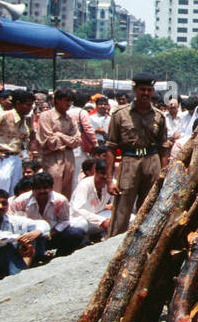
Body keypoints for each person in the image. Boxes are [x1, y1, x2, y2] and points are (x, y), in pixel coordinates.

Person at [107, 75, 167, 236]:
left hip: (152, 161)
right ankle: (113, 246)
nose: (146, 93)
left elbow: (163, 148)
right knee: (122, 207)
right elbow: (111, 148)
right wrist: (109, 179)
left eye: (149, 90)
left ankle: (144, 244)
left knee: (149, 206)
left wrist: (163, 173)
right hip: (129, 162)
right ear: (135, 90)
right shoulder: (120, 115)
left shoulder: (159, 116)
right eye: (142, 89)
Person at [0, 189, 50, 287]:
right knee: (1, 244)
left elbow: (43, 224)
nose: (0, 207)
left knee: (31, 234)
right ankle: (19, 277)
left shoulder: (12, 220)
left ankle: (28, 267)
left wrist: (35, 233)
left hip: (6, 263)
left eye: (4, 203)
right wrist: (17, 238)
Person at [9, 170, 88, 255]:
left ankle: (60, 257)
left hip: (52, 235)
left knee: (76, 233)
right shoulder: (20, 202)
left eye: (45, 187)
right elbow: (15, 222)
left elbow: (64, 221)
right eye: (38, 188)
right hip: (30, 238)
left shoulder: (60, 200)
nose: (42, 191)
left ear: (51, 188)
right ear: (32, 189)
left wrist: (52, 232)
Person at [33, 88, 83, 198]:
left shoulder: (70, 118)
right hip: (53, 158)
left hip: (69, 158)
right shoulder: (46, 116)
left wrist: (60, 135)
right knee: (53, 191)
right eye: (66, 100)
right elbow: (49, 141)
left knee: (66, 193)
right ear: (57, 101)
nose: (69, 104)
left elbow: (77, 140)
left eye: (70, 101)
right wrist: (68, 140)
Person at [71, 158, 113, 237]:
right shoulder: (85, 184)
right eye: (102, 173)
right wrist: (101, 221)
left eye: (108, 174)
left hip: (98, 216)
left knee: (130, 219)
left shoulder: (111, 183)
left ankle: (101, 236)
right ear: (96, 173)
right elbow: (77, 209)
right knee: (82, 225)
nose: (105, 176)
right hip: (81, 218)